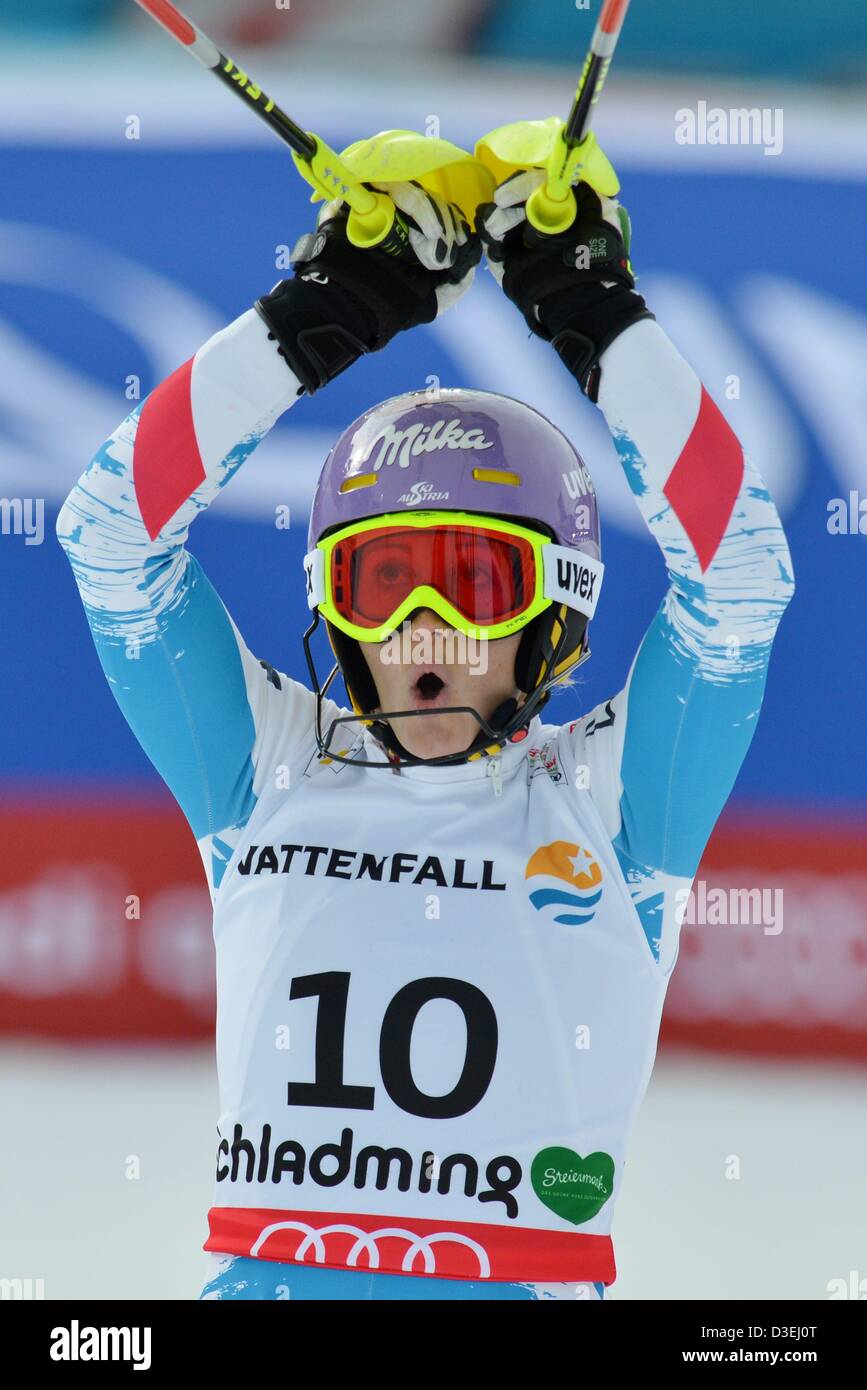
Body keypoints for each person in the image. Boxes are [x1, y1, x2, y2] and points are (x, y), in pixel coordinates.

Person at [57, 157, 794, 1301]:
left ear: (559, 611)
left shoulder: (609, 802)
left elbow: (739, 580)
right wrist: (308, 320)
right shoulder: (271, 768)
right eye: (383, 583)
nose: (425, 631)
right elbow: (108, 538)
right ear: (335, 610)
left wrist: (604, 322)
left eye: (476, 585)